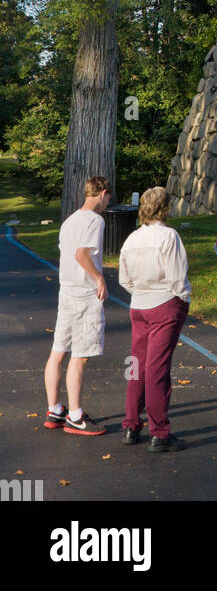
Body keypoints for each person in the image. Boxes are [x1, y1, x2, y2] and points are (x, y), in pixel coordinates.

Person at [118, 186, 190, 453]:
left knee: (136, 365)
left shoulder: (132, 238)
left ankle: (130, 424)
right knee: (158, 369)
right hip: (164, 304)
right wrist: (184, 297)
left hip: (139, 304)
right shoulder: (168, 236)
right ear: (165, 207)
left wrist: (140, 290)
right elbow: (177, 276)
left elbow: (124, 279)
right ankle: (159, 432)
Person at [44, 175, 111, 436]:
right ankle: (74, 414)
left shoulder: (69, 221)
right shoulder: (95, 220)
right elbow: (81, 254)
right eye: (108, 197)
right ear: (103, 193)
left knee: (58, 350)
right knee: (80, 355)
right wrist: (99, 278)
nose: (108, 202)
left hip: (66, 292)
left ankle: (54, 409)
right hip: (84, 294)